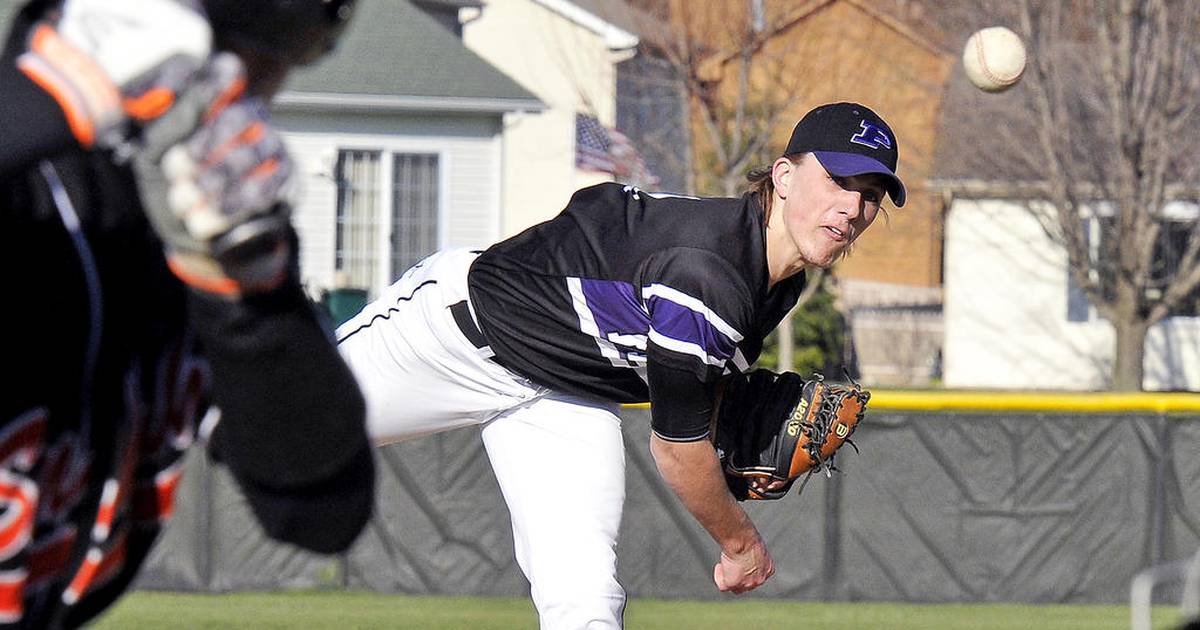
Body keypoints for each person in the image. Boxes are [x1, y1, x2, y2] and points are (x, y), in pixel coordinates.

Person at [338, 101, 905, 628]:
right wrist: (740, 545)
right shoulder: (709, 275)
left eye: (871, 195)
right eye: (837, 181)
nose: (852, 208)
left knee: (585, 598)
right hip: (450, 339)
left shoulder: (778, 281)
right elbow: (678, 450)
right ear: (783, 177)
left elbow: (686, 398)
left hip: (565, 394)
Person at [0, 0, 372, 626]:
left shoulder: (187, 220)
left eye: (278, 47)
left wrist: (248, 299)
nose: (246, 76)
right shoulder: (28, 190)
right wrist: (47, 96)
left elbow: (322, 509)